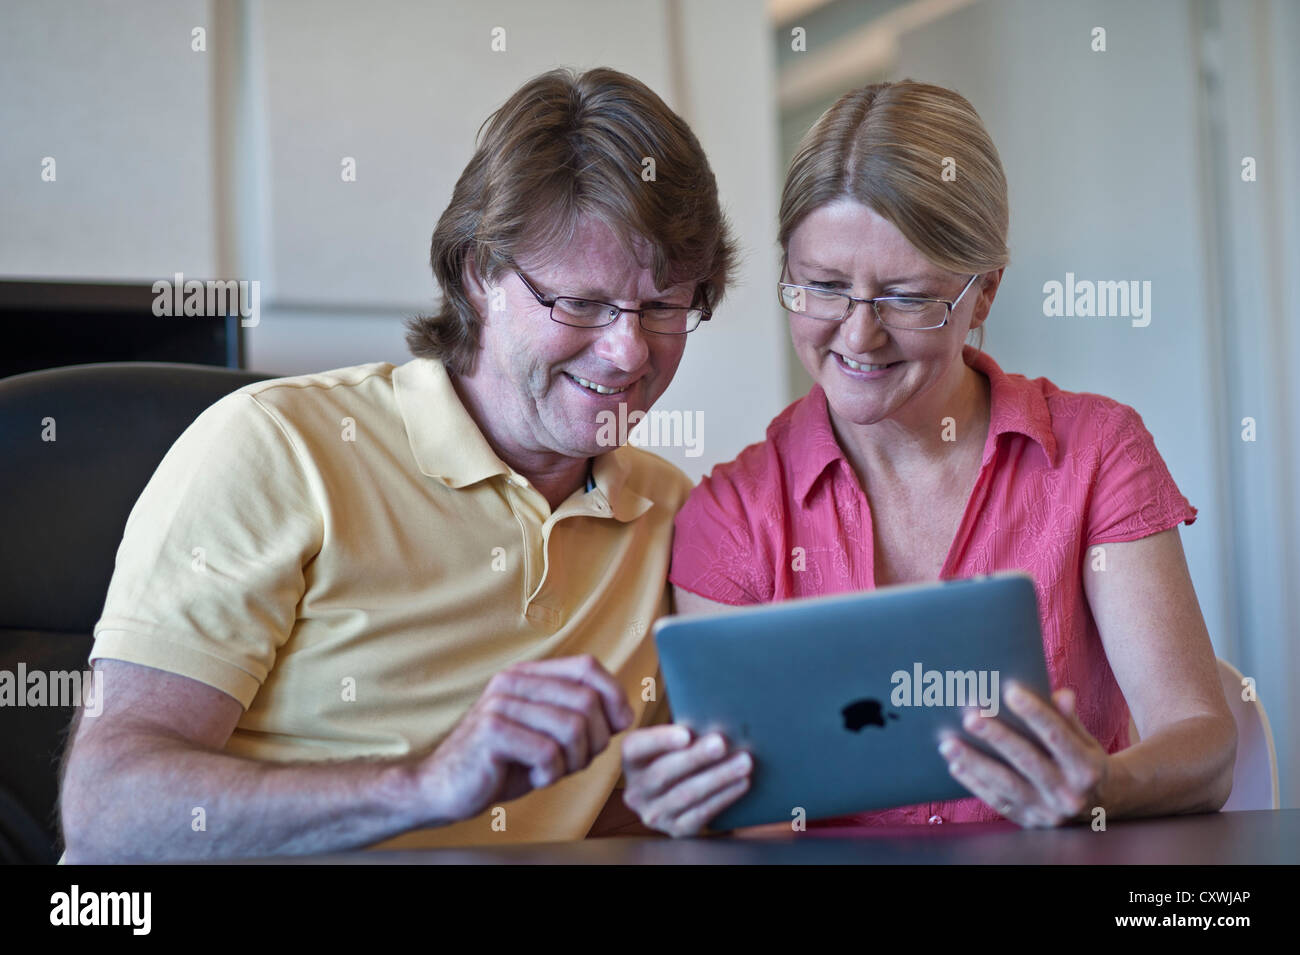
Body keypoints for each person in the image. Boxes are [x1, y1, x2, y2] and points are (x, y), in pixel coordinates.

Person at [57, 66, 734, 861]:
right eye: (580, 303)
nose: (627, 352)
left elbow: (611, 817)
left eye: (662, 308)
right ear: (479, 273)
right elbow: (110, 816)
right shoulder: (276, 446)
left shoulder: (671, 510)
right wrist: (427, 783)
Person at [620, 79, 1236, 835]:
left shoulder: (1097, 451)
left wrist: (1102, 784)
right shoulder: (731, 513)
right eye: (822, 288)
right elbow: (760, 819)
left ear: (984, 295)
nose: (856, 335)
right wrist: (701, 809)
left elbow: (1202, 742)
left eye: (907, 298)